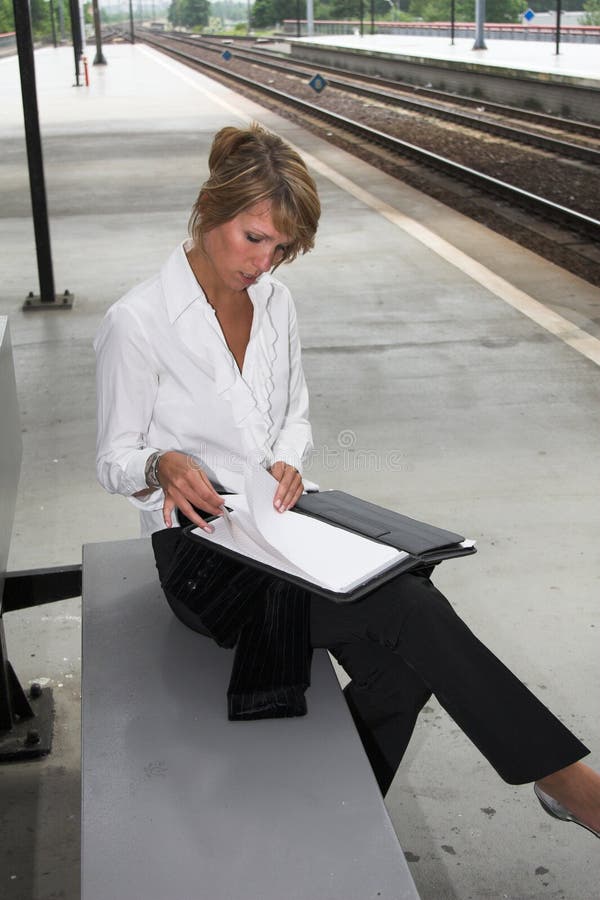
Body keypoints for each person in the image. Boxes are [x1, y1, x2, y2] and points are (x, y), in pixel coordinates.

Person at [95, 122, 600, 839]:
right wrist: (160, 464)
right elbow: (114, 457)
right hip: (204, 556)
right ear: (210, 209)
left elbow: (295, 414)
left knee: (405, 666)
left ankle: (329, 830)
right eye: (253, 238)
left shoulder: (277, 305)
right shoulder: (137, 322)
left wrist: (288, 457)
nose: (264, 264)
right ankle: (570, 786)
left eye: (280, 248)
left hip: (286, 526)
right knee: (407, 608)